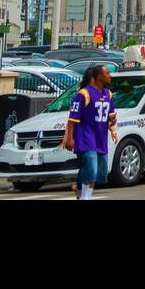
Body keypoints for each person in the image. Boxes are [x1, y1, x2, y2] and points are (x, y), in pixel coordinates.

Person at [61, 64, 116, 200]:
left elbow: (111, 115)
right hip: (85, 136)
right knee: (91, 167)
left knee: (100, 174)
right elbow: (72, 118)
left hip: (100, 137)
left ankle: (79, 189)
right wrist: (69, 137)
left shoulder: (108, 94)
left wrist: (112, 127)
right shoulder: (83, 94)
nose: (110, 76)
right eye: (107, 73)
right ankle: (85, 198)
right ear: (98, 77)